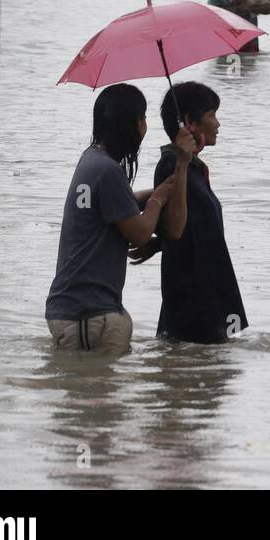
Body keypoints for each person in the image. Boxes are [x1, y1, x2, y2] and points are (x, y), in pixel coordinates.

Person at [45, 84, 193, 353]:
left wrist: (156, 192)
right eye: (143, 118)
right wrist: (159, 198)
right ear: (131, 123)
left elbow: (115, 206)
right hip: (90, 315)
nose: (145, 126)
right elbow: (140, 233)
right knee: (98, 392)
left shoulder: (91, 159)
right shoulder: (109, 171)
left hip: (72, 310)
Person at [136, 82, 249, 344]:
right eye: (212, 115)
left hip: (209, 292)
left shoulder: (194, 169)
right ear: (190, 122)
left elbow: (189, 228)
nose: (218, 124)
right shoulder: (173, 166)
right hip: (194, 299)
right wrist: (183, 164)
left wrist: (158, 244)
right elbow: (175, 228)